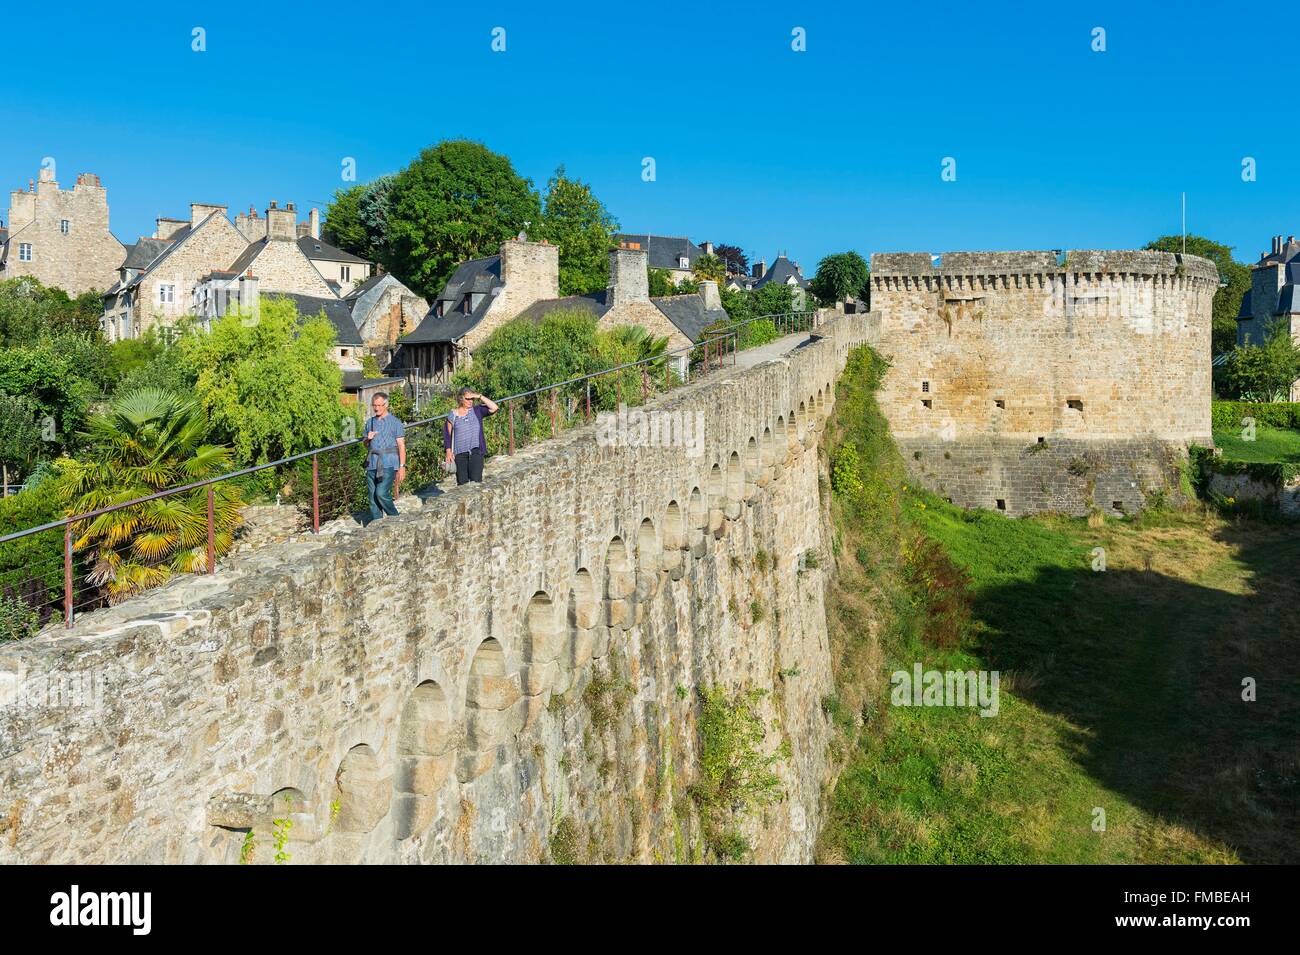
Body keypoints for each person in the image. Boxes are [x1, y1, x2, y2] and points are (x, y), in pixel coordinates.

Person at [363, 392, 406, 522]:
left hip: (388, 463)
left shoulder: (395, 422)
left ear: (386, 405)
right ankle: (377, 525)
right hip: (371, 463)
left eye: (379, 405)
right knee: (372, 498)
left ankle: (395, 518)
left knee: (381, 493)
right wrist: (367, 439)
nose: (377, 408)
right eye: (374, 405)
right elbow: (366, 444)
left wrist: (402, 466)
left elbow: (401, 445)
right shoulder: (370, 422)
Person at [444, 387, 498, 485]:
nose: (470, 401)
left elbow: (494, 407)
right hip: (459, 454)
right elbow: (447, 434)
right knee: (462, 485)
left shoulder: (477, 410)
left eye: (472, 399)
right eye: (467, 399)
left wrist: (479, 396)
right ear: (461, 399)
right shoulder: (453, 414)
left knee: (476, 483)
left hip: (476, 452)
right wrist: (448, 450)